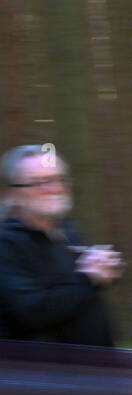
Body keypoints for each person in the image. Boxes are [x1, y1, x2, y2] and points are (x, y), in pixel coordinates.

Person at [0, 144, 121, 345]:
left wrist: (105, 268)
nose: (55, 188)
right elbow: (32, 312)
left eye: (59, 179)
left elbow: (76, 292)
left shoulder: (67, 230)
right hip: (38, 372)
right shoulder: (5, 243)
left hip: (93, 367)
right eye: (39, 182)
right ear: (13, 194)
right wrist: (89, 277)